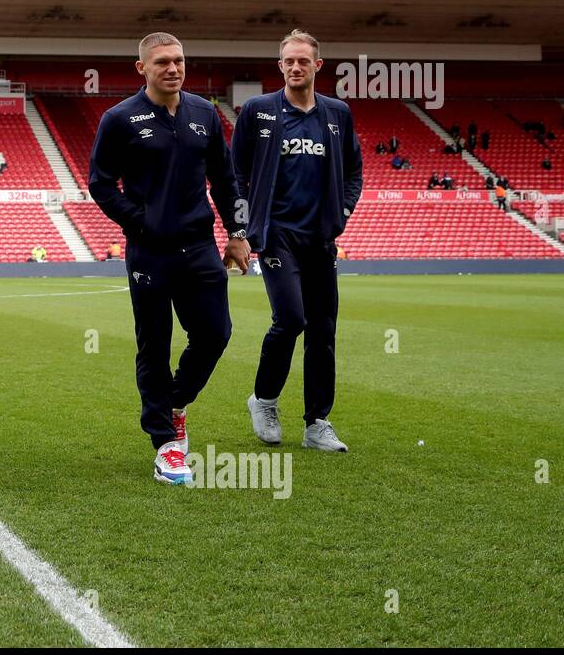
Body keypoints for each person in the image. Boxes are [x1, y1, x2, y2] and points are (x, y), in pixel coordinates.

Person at [89, 31, 248, 484]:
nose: (173, 68)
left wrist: (237, 232)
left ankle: (175, 403)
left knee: (216, 334)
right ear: (142, 68)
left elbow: (225, 178)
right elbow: (100, 184)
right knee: (154, 345)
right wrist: (138, 222)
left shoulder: (204, 113)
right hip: (150, 252)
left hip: (199, 247)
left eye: (178, 60)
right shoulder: (119, 119)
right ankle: (165, 443)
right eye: (162, 62)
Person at [232, 29, 362, 454]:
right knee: (291, 319)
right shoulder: (258, 111)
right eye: (288, 61)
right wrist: (244, 229)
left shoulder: (337, 114)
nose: (295, 67)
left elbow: (353, 173)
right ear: (280, 65)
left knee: (323, 331)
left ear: (317, 66)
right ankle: (264, 400)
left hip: (320, 240)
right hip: (276, 236)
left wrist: (340, 216)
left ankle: (317, 423)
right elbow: (236, 175)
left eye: (303, 61)